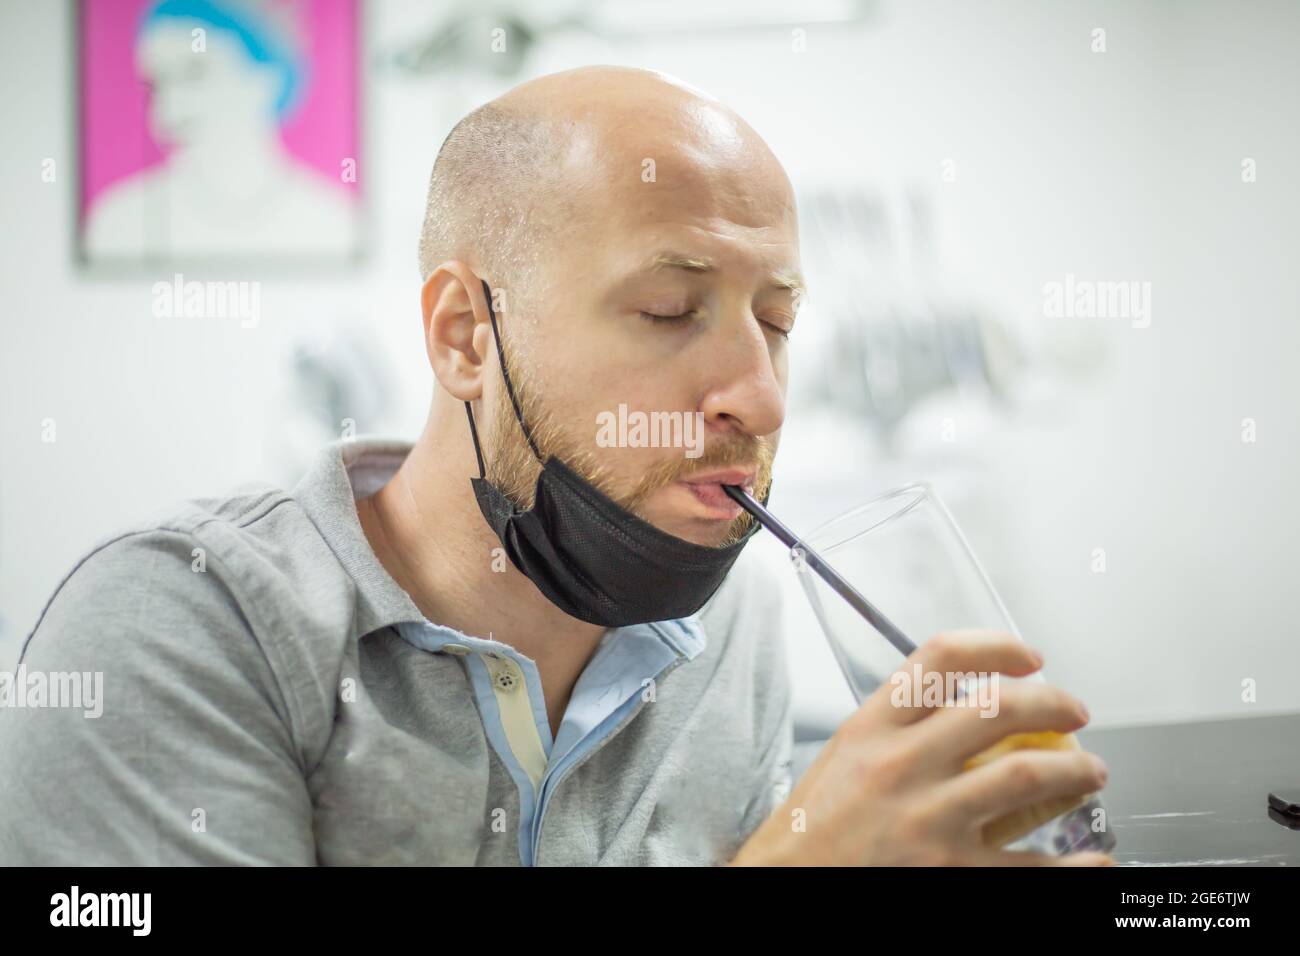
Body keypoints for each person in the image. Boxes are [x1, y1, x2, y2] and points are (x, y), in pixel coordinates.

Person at [0, 65, 1110, 866]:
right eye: (670, 309)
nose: (761, 396)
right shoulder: (178, 626)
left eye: (774, 323)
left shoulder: (733, 630)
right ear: (465, 337)